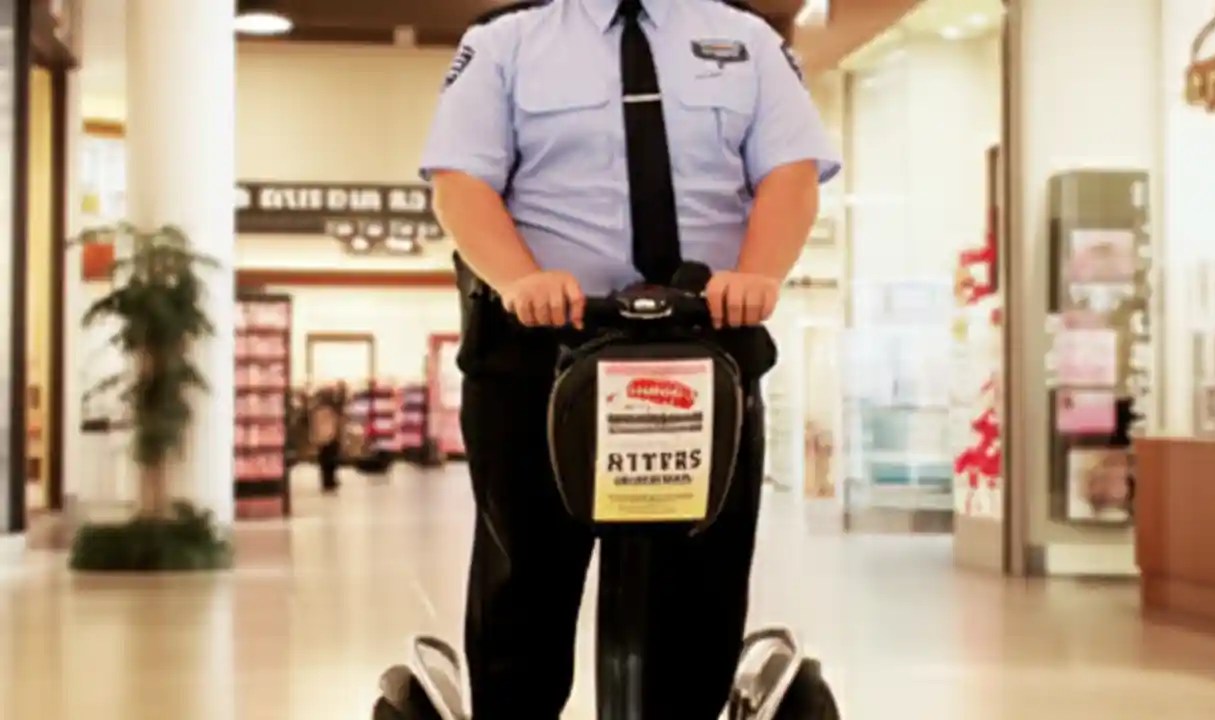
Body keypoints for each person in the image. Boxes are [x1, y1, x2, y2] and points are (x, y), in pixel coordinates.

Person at [419, 0, 839, 717]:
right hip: (539, 351)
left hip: (706, 345)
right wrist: (520, 278)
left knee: (700, 582)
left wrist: (758, 272)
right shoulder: (505, 43)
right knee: (524, 579)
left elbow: (790, 174)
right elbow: (461, 183)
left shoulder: (746, 41)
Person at [310, 389, 343, 494]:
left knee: (325, 463)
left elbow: (315, 426)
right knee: (331, 462)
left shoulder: (316, 410)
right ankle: (330, 482)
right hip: (330, 439)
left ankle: (327, 482)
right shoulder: (331, 411)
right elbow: (335, 425)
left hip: (323, 440)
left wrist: (314, 438)